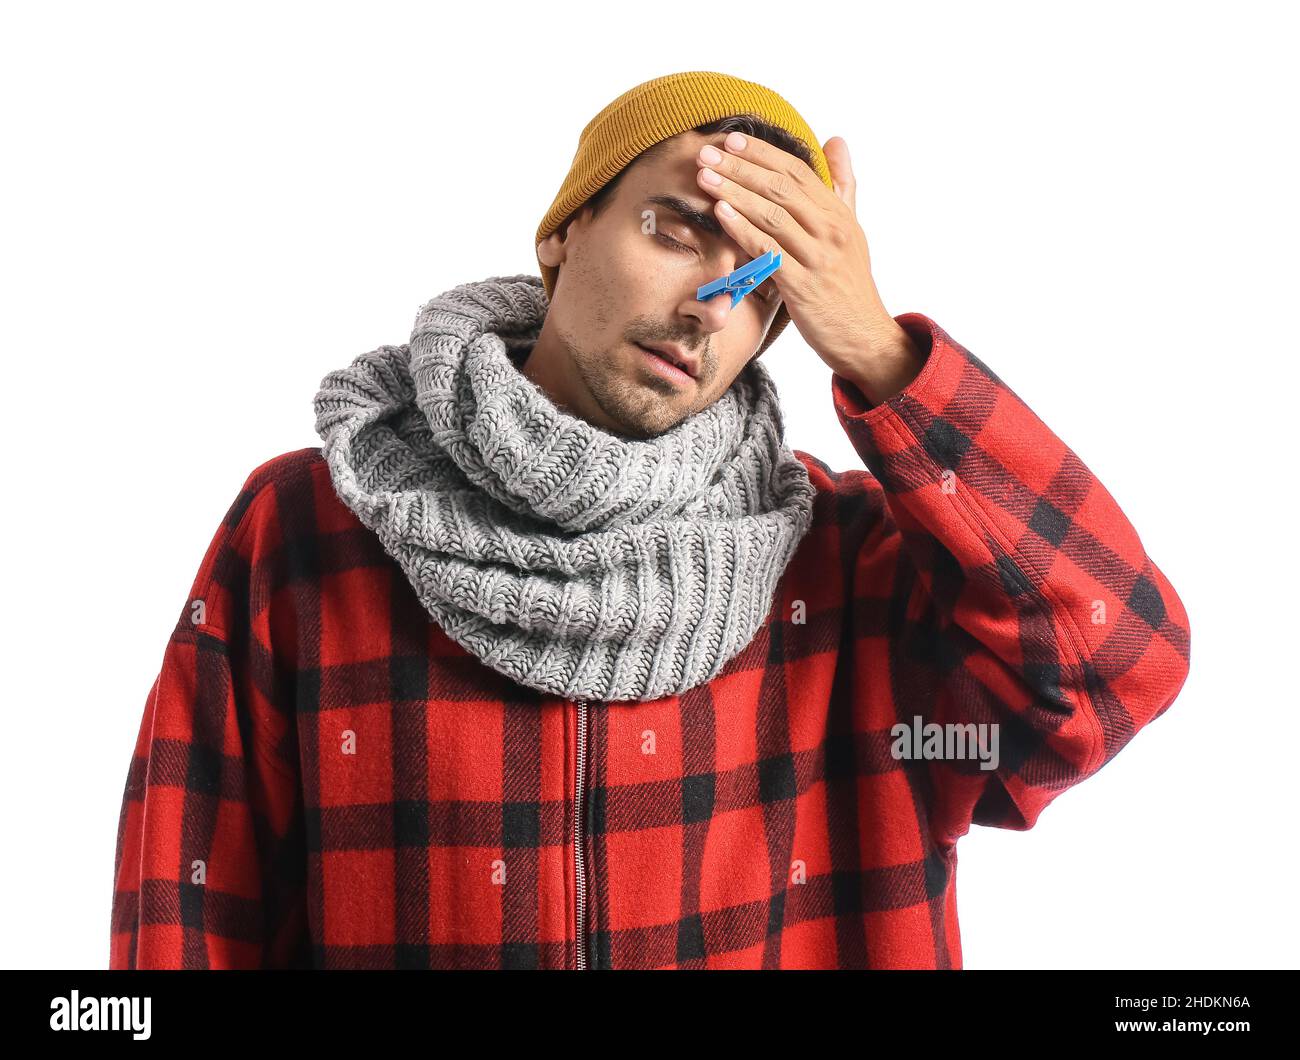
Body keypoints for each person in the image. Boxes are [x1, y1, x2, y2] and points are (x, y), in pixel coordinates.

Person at [110, 70, 1191, 970]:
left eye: (765, 286)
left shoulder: (860, 570)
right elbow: (187, 920)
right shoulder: (308, 529)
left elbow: (1114, 663)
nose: (708, 308)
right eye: (675, 230)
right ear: (565, 231)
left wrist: (880, 352)